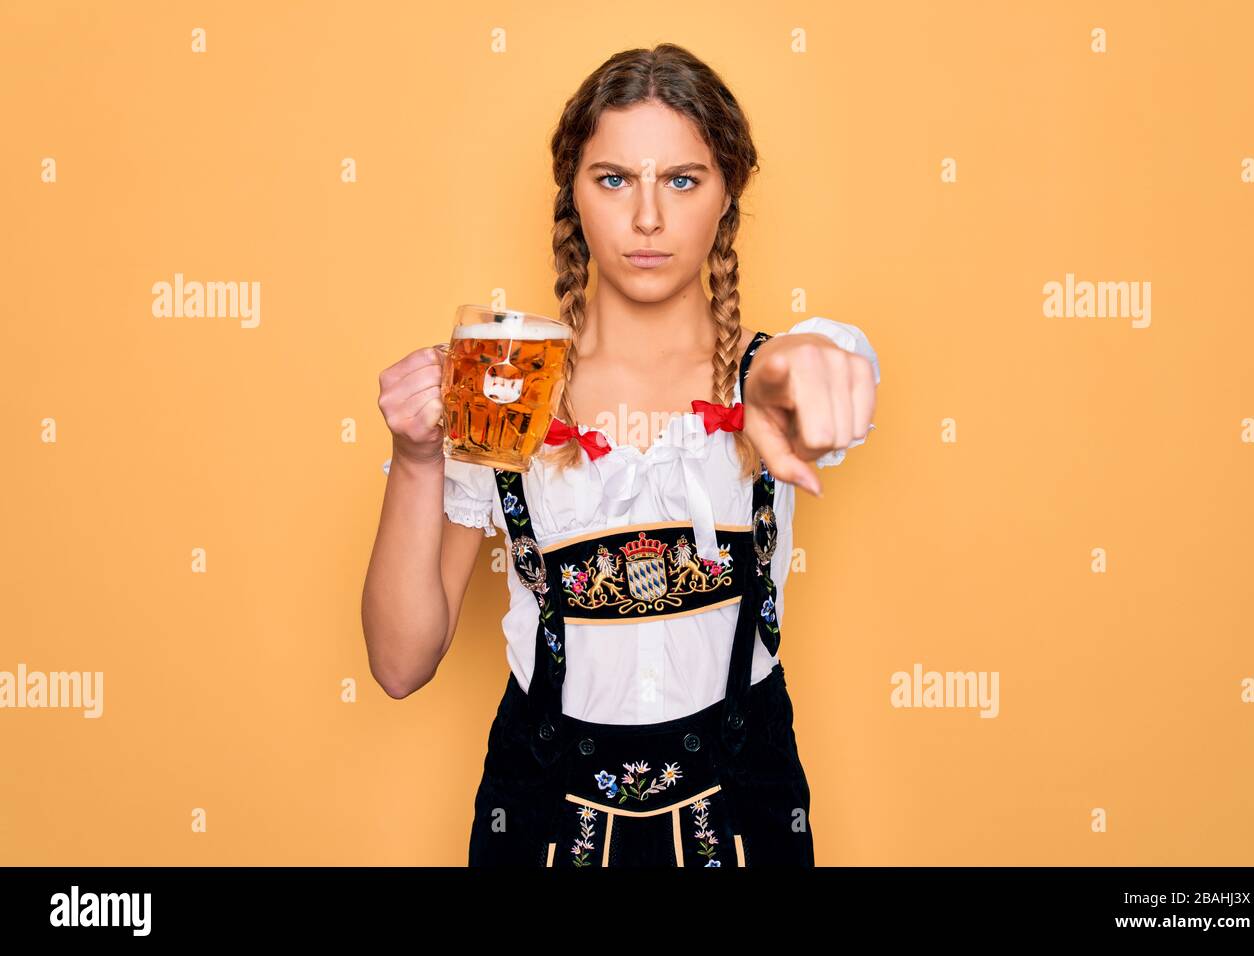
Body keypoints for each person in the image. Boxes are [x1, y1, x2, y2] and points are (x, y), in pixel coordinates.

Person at [362, 43, 880, 867]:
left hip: (744, 827)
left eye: (682, 180)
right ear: (572, 193)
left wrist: (814, 362)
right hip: (538, 831)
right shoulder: (506, 389)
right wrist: (418, 461)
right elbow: (399, 663)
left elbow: (822, 371)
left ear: (727, 196)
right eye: (613, 180)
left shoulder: (767, 383)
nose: (648, 218)